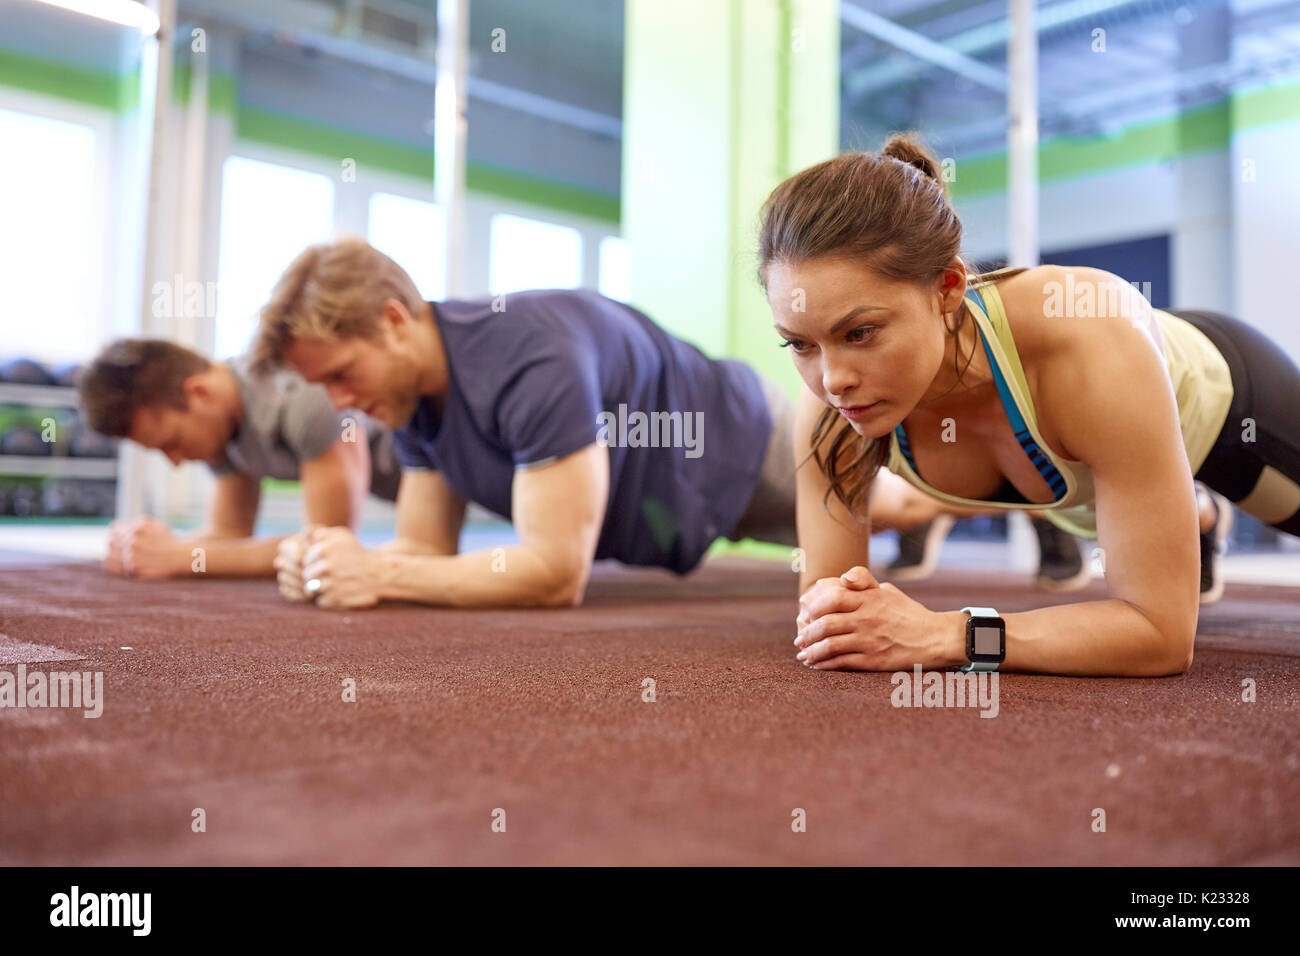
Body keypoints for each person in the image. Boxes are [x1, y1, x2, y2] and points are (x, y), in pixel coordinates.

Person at [762, 133, 1299, 677]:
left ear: (948, 286)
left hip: (1226, 404)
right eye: (800, 343)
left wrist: (949, 634)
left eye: (860, 332)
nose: (832, 380)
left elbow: (1160, 636)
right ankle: (1190, 512)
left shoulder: (1085, 344)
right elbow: (829, 616)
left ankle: (1191, 505)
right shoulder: (832, 415)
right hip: (1098, 462)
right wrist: (841, 616)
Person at [252, 238, 797, 609]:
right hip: (668, 508)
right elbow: (423, 548)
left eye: (342, 374)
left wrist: (377, 575)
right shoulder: (408, 394)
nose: (340, 401)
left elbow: (554, 573)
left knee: (880, 509)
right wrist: (331, 562)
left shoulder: (531, 358)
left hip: (736, 433)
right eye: (325, 387)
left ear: (394, 321)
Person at [78, 339, 400, 578]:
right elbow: (229, 533)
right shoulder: (220, 426)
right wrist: (145, 548)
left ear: (199, 393)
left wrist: (180, 557)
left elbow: (328, 548)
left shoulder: (303, 397)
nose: (176, 461)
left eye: (172, 442)